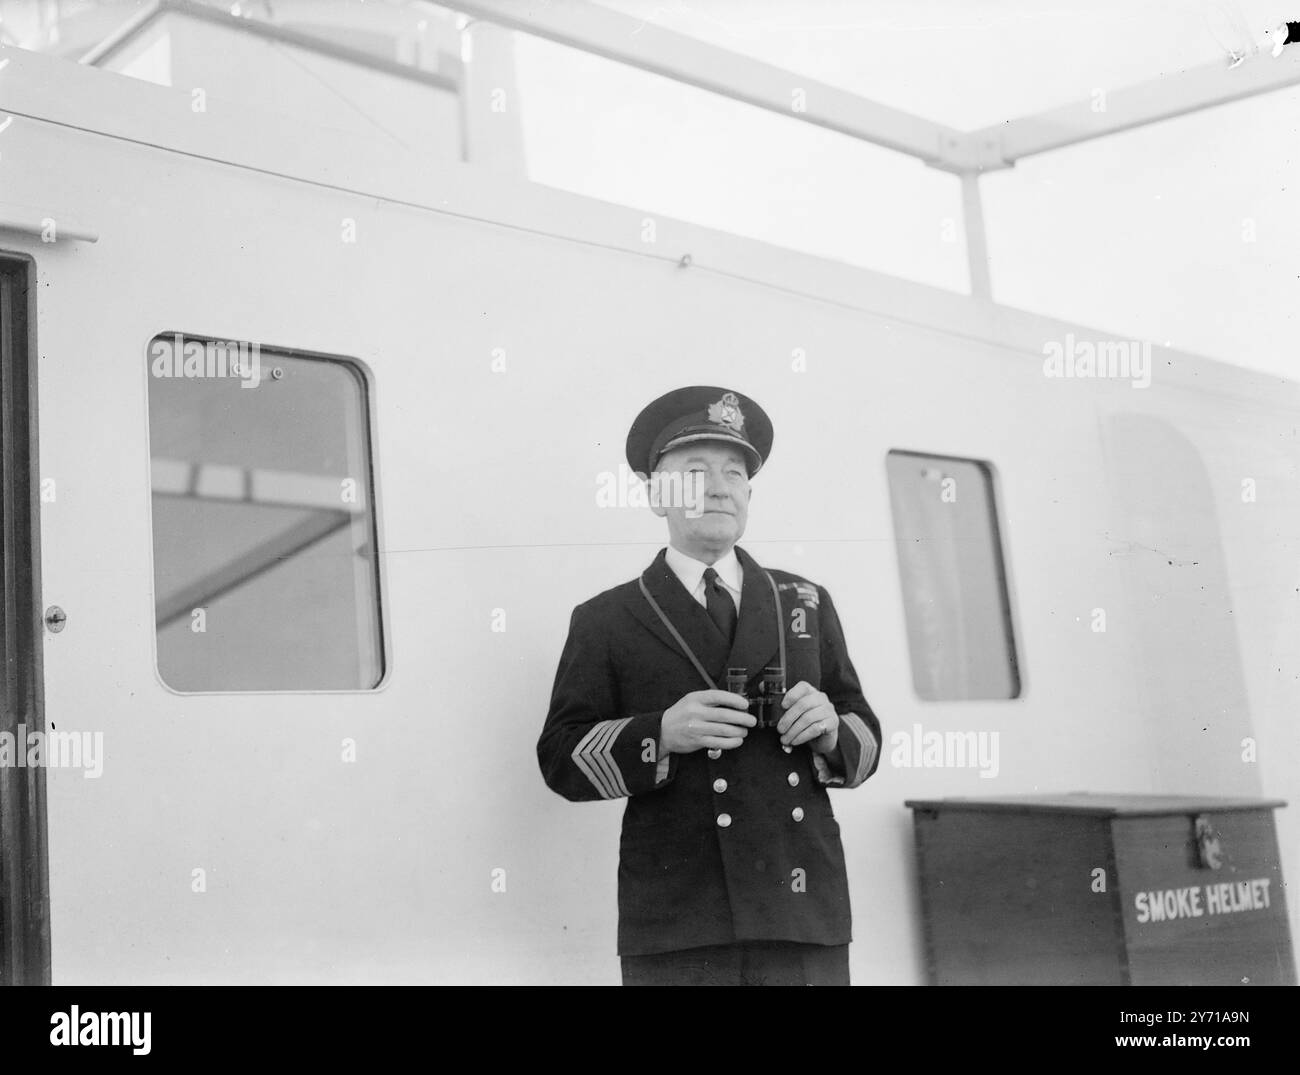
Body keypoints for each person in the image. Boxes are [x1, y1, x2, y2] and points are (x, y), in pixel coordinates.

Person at [537, 385, 882, 986]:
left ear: (749, 492)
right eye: (695, 472)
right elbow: (559, 757)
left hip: (798, 902)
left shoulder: (803, 600)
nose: (720, 486)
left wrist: (830, 733)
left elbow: (864, 732)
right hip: (678, 914)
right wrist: (659, 735)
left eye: (734, 472)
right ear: (655, 497)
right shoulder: (607, 618)